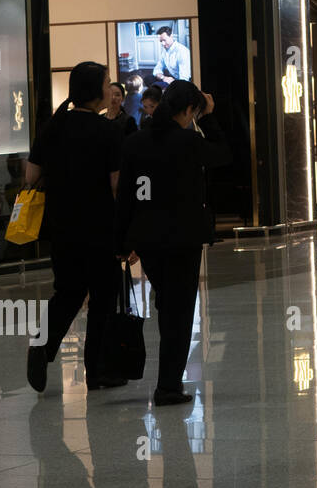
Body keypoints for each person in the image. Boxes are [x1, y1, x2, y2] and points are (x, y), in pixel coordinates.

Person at [116, 81, 232, 405]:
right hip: (183, 239)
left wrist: (122, 240)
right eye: (194, 111)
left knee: (168, 303)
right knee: (179, 312)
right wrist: (209, 117)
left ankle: (167, 381)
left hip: (147, 238)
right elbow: (223, 154)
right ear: (188, 110)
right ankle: (167, 386)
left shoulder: (135, 143)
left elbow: (126, 195)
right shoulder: (189, 141)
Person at [25, 61, 127, 394]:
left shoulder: (53, 127)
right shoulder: (108, 132)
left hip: (62, 224)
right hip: (100, 226)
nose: (110, 88)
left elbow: (31, 177)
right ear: (95, 89)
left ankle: (41, 345)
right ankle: (95, 372)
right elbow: (116, 185)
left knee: (68, 291)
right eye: (107, 82)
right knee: (101, 297)